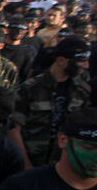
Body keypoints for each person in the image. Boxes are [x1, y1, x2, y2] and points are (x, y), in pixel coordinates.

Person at [9, 36, 91, 168]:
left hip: (62, 164)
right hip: (31, 159)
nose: (86, 66)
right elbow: (13, 129)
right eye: (81, 61)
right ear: (61, 61)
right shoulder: (30, 88)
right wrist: (26, 164)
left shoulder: (82, 90)